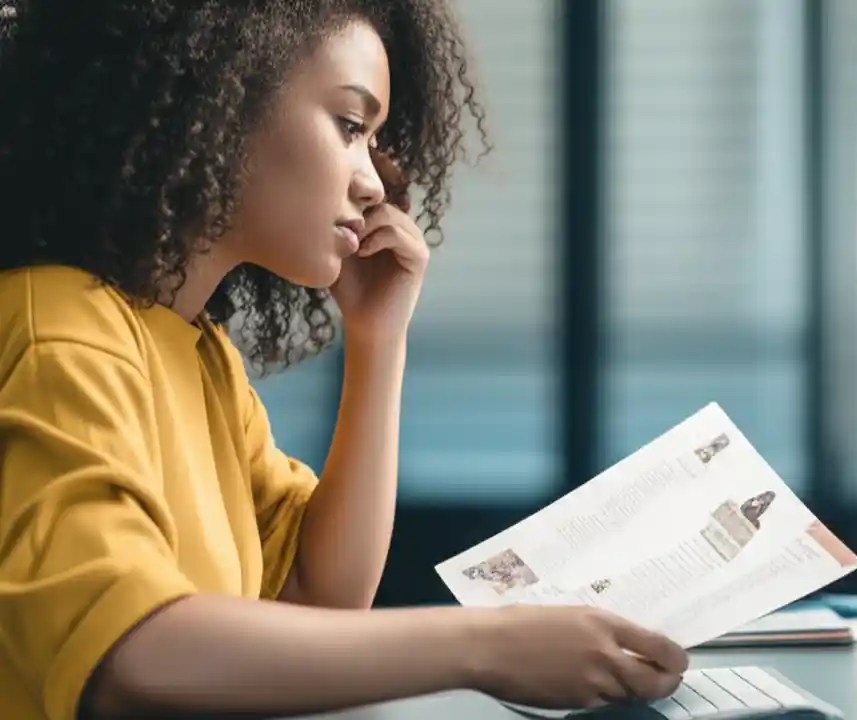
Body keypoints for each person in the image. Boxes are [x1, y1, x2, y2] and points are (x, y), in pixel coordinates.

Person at [0, 2, 687, 719]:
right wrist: (487, 647)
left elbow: (322, 599)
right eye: (351, 127)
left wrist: (377, 338)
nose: (372, 183)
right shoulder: (57, 326)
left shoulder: (200, 357)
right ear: (217, 98)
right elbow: (131, 653)